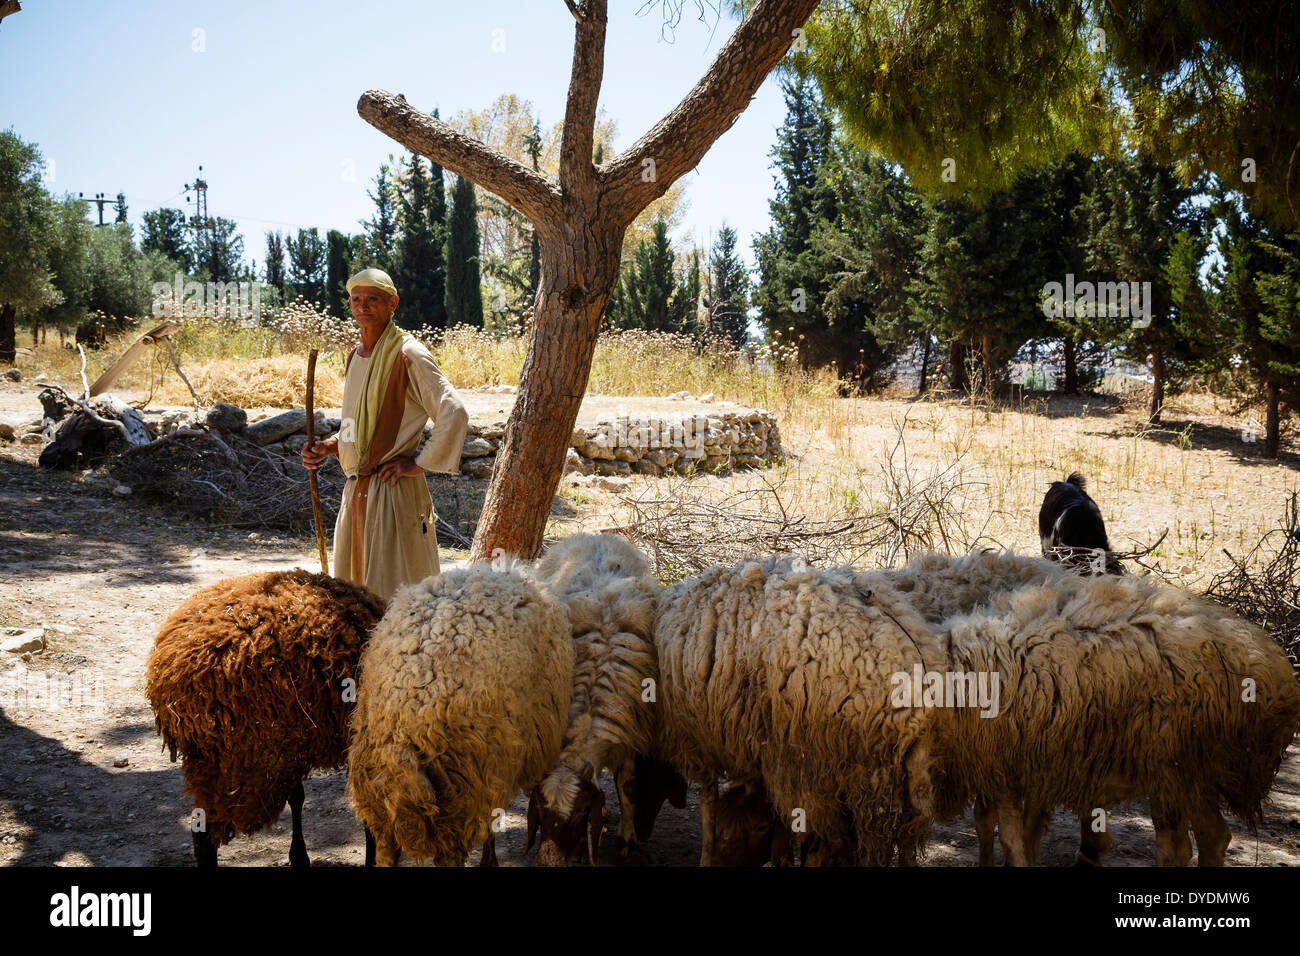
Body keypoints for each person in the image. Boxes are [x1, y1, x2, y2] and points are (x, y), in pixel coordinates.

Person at [301, 268, 469, 602]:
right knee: (355, 595)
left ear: (392, 303)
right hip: (357, 491)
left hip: (393, 493)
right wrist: (330, 446)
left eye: (373, 299)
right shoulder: (355, 356)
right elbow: (353, 420)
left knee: (396, 592)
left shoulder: (409, 354)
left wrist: (419, 463)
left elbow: (454, 410)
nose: (363, 306)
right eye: (356, 299)